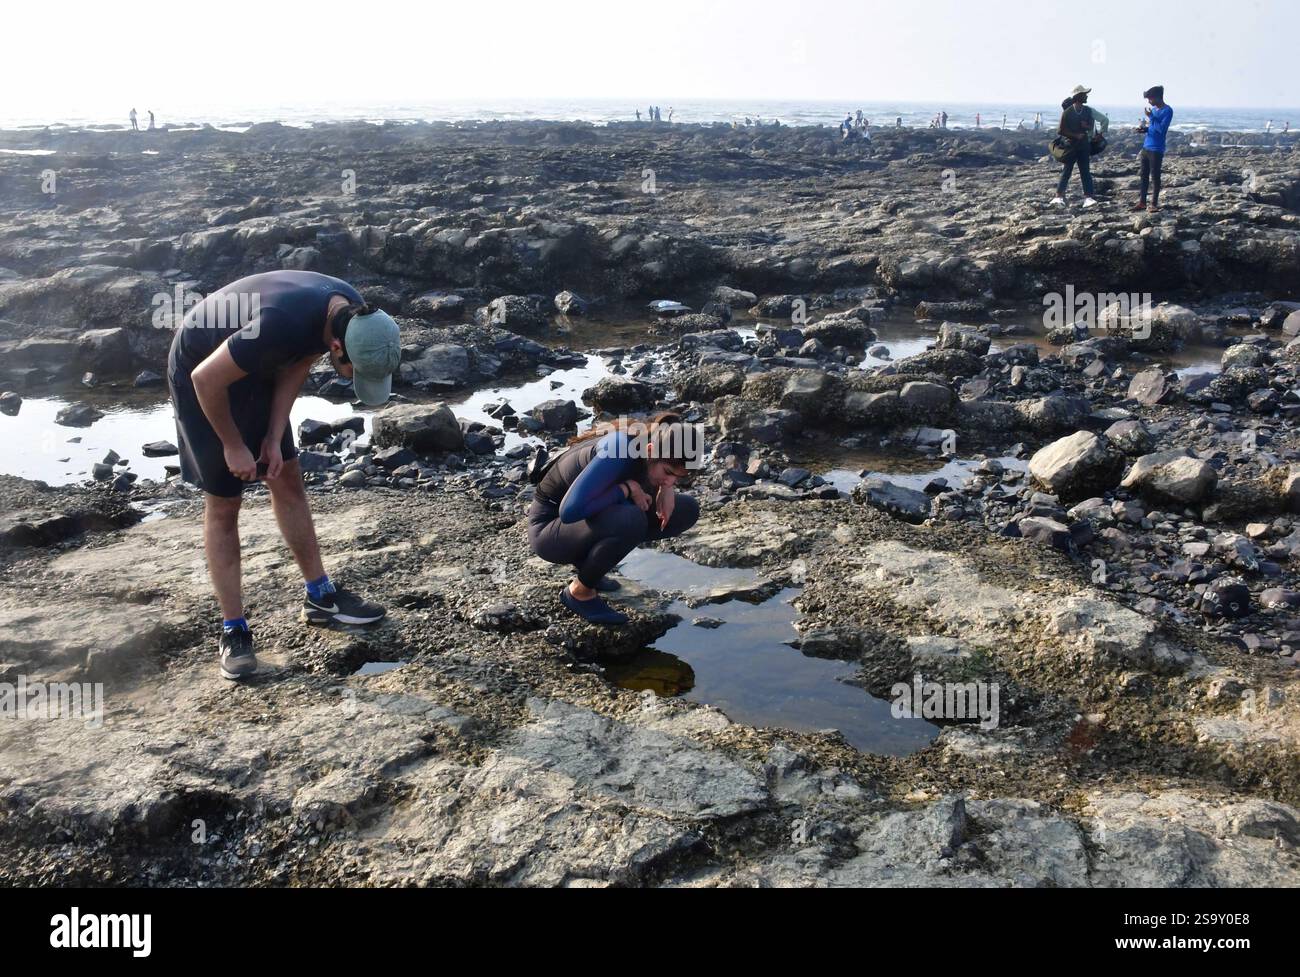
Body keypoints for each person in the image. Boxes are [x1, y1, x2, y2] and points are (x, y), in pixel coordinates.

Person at [167, 271, 400, 680]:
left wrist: (274, 434)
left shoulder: (351, 309)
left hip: (253, 360)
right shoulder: (279, 326)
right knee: (225, 502)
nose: (353, 380)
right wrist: (232, 443)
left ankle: (321, 597)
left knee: (286, 475)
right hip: (201, 370)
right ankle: (233, 629)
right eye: (354, 371)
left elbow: (300, 360)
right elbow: (205, 378)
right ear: (338, 346)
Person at [529, 413, 702, 625]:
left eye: (678, 476)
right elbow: (570, 511)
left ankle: (590, 567)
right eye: (668, 472)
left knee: (686, 510)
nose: (671, 479)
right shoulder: (619, 449)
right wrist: (626, 489)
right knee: (630, 519)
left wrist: (666, 488)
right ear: (650, 451)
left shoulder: (651, 446)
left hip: (584, 520)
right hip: (549, 530)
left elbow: (663, 473)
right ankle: (579, 592)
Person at [1053, 85, 1099, 208]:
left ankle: (1088, 197)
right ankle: (1058, 196)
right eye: (1084, 94)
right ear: (1078, 96)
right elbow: (1060, 130)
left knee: (1085, 171)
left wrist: (1086, 127)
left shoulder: (1088, 110)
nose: (1087, 96)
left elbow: (1091, 126)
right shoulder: (1067, 112)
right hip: (1071, 146)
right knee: (1067, 170)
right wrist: (1075, 135)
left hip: (1084, 145)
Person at [1136, 85, 1173, 213]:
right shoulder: (1154, 110)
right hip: (1146, 146)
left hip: (1157, 149)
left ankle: (1154, 204)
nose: (1149, 102)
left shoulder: (1167, 111)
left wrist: (1151, 117)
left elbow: (1161, 130)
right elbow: (1153, 128)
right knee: (1143, 176)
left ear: (1157, 97)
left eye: (1150, 99)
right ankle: (1142, 202)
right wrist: (1144, 129)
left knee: (1155, 176)